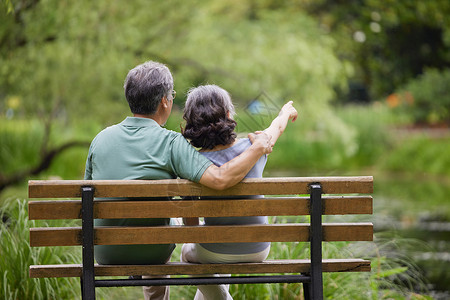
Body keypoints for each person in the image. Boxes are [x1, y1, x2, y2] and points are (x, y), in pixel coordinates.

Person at [83, 61, 273, 300]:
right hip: (152, 251)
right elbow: (219, 178)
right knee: (160, 228)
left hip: (104, 251)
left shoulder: (100, 140)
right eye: (172, 95)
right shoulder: (172, 142)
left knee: (156, 221)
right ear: (165, 100)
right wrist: (258, 149)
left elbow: (87, 198)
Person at [180, 84, 298, 300]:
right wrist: (285, 112)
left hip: (214, 251)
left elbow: (192, 226)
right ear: (227, 114)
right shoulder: (255, 147)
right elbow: (277, 128)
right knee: (216, 260)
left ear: (192, 122)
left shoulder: (193, 162)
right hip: (259, 249)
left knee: (188, 254)